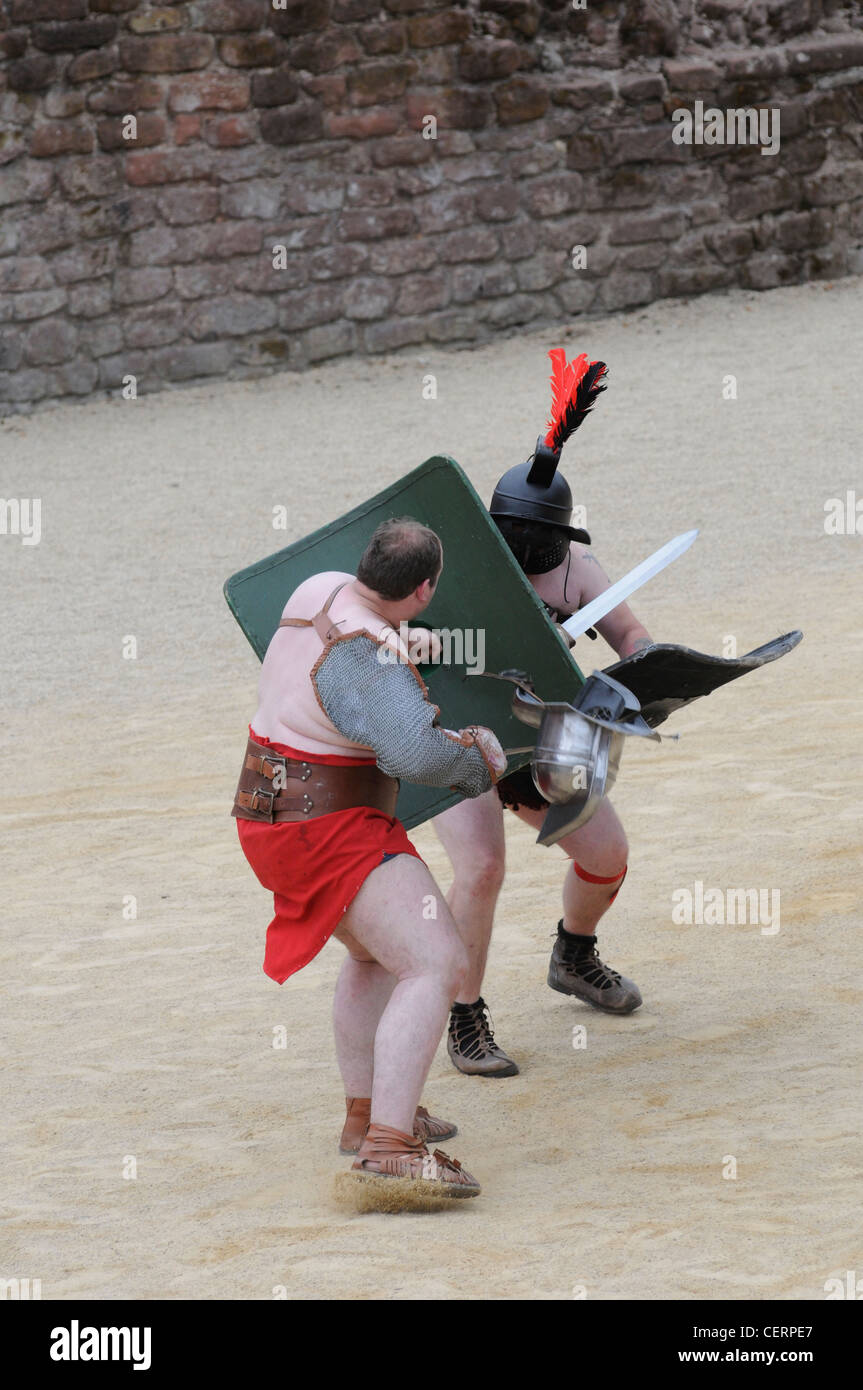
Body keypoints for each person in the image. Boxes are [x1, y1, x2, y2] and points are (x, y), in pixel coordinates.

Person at [232, 518, 506, 1198]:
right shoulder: (373, 655)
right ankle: (389, 1147)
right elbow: (413, 754)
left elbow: (338, 667)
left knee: (373, 956)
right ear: (423, 588)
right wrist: (479, 757)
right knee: (437, 961)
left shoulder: (317, 590)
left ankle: (365, 1115)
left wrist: (399, 645)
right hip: (326, 824)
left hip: (268, 808)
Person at [435, 351, 654, 1078]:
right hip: (457, 738)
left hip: (539, 740)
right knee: (481, 869)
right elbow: (412, 648)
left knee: (605, 857)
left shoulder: (575, 572)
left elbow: (632, 639)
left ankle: (574, 954)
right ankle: (464, 1017)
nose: (527, 550)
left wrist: (630, 679)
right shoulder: (455, 570)